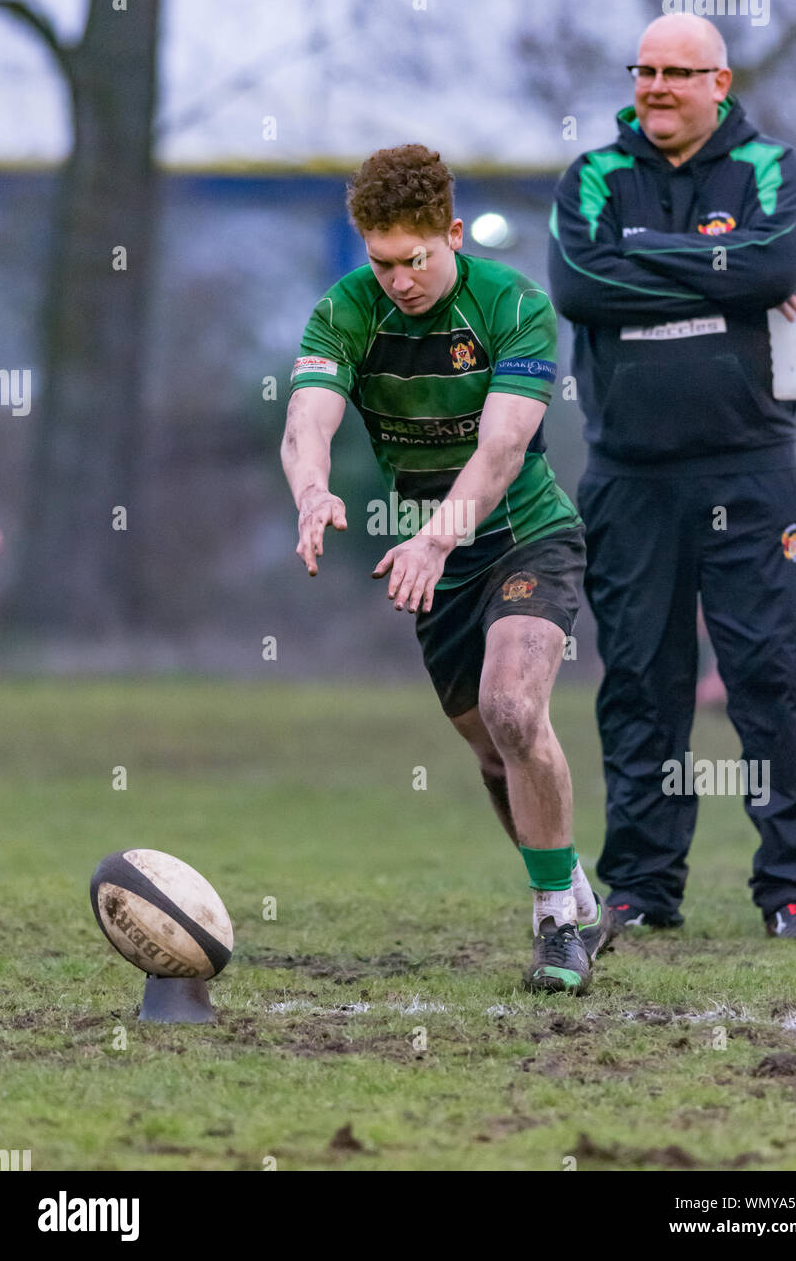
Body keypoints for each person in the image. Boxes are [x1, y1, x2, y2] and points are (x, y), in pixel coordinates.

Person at [282, 143, 613, 993]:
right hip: (432, 566)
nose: (397, 279)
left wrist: (434, 538)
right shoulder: (347, 310)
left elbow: (504, 445)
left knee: (514, 707)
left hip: (523, 533)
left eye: (414, 259)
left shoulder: (512, 303)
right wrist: (313, 491)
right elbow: (307, 420)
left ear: (452, 234)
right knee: (494, 751)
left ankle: (553, 930)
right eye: (381, 261)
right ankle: (575, 892)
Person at [548, 12, 796, 942]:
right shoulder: (593, 176)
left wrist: (646, 258)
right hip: (630, 476)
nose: (658, 87)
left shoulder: (771, 170)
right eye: (645, 70)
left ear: (721, 82)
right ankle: (640, 887)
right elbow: (579, 288)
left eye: (679, 72)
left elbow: (777, 264)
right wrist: (724, 278)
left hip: (751, 470)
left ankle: (792, 892)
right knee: (639, 680)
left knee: (772, 676)